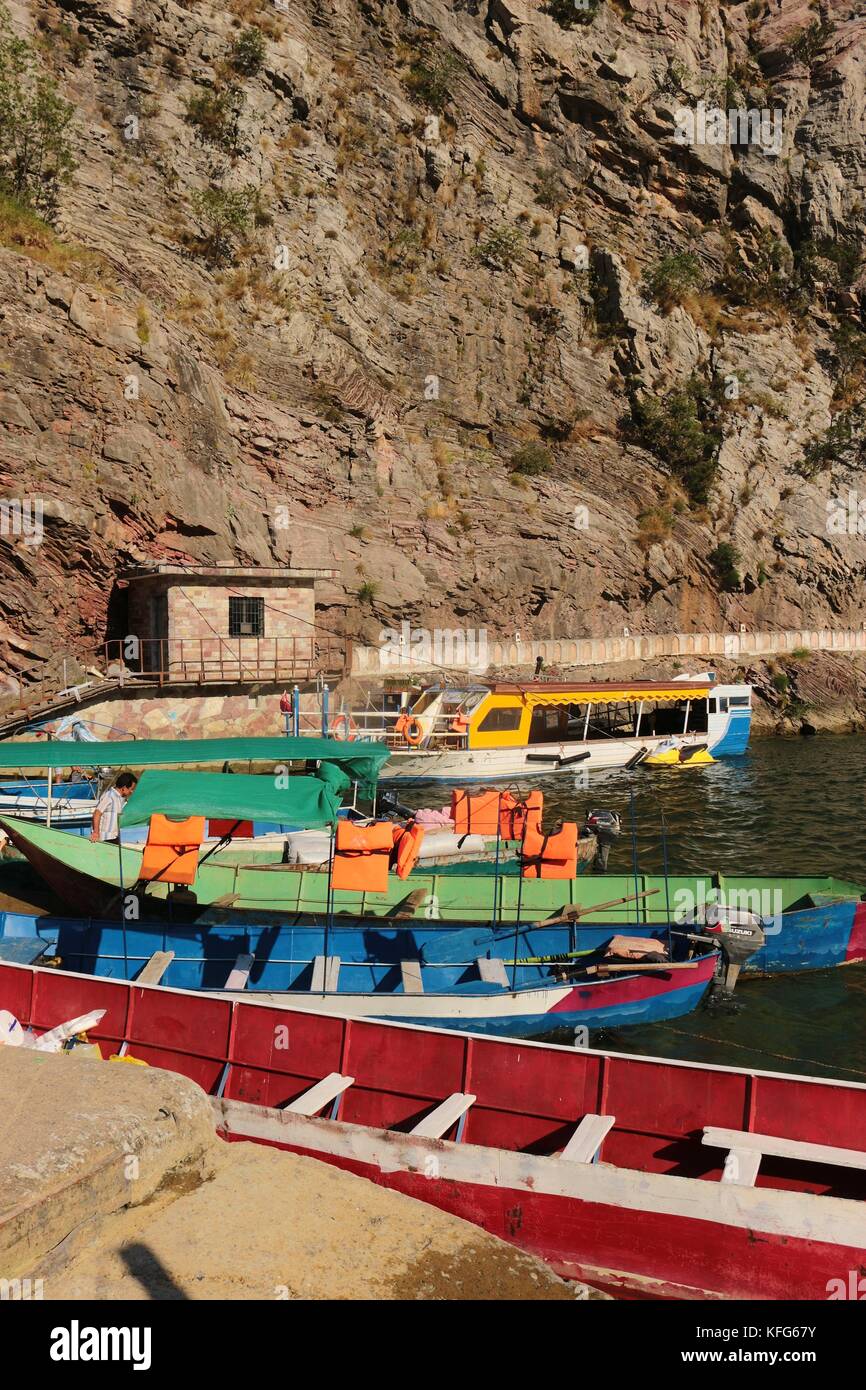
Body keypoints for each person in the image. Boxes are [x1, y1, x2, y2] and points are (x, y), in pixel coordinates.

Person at [90, 772, 137, 843]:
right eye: (131, 789)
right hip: (105, 838)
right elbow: (97, 813)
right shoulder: (109, 796)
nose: (132, 791)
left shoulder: (121, 798)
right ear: (124, 788)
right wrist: (96, 833)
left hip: (114, 836)